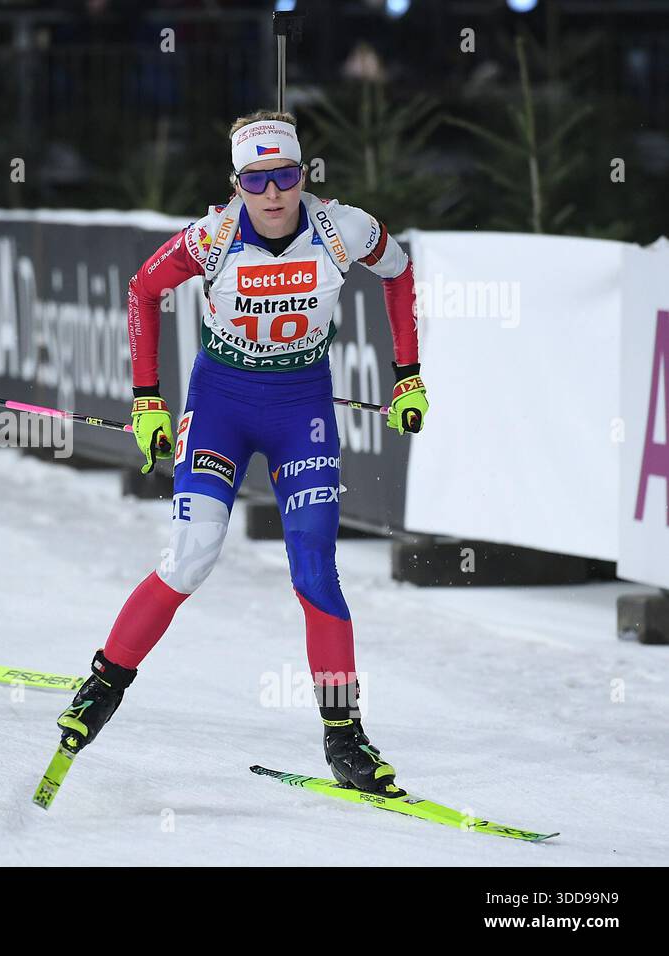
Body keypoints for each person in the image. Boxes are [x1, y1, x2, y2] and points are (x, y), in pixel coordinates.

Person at [53, 111, 428, 794]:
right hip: (221, 409)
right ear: (237, 183)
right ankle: (101, 686)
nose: (274, 192)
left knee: (315, 567)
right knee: (191, 557)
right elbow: (143, 289)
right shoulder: (213, 238)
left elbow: (400, 275)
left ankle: (344, 738)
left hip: (301, 411)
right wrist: (146, 399)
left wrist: (408, 376)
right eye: (257, 179)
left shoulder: (343, 230)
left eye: (285, 174)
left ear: (304, 173)